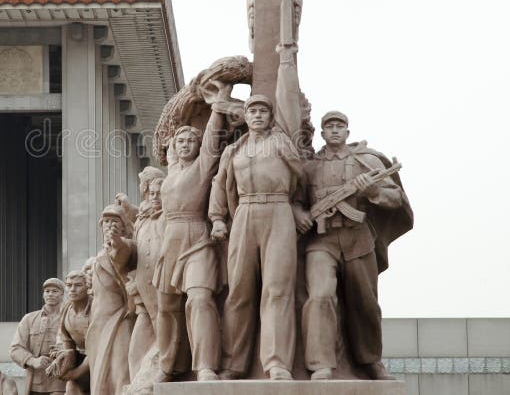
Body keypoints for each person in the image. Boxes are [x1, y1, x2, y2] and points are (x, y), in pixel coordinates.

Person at [273, 41, 413, 381]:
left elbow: (395, 200)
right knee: (319, 297)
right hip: (322, 241)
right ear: (322, 132)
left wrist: (373, 190)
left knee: (365, 303)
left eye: (340, 127)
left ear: (347, 131)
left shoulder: (366, 161)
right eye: (329, 127)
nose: (334, 131)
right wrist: (299, 215)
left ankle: (370, 361)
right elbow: (291, 198)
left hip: (357, 238)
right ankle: (321, 363)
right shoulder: (309, 166)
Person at [208, 94, 304, 380]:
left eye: (263, 111)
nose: (258, 115)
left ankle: (276, 362)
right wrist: (216, 218)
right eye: (253, 111)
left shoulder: (281, 143)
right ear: (246, 117)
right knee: (239, 291)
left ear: (270, 116)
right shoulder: (234, 150)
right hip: (245, 214)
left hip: (278, 210)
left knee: (277, 288)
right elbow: (219, 183)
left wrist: (297, 206)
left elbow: (301, 178)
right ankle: (234, 363)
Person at [152, 98, 228, 382]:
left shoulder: (203, 167)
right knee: (167, 307)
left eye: (189, 141)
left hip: (197, 237)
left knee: (199, 299)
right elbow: (169, 144)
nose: (185, 145)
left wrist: (218, 109)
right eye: (180, 141)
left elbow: (210, 142)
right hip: (170, 241)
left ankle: (205, 365)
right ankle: (168, 365)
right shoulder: (171, 171)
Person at [115, 167, 167, 378]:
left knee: (163, 329)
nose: (154, 197)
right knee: (137, 346)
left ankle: (163, 369)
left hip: (163, 284)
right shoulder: (143, 215)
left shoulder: (168, 215)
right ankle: (140, 379)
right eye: (150, 192)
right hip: (143, 288)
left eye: (159, 194)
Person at [86, 204, 134, 395]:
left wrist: (117, 242)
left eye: (115, 221)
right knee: (99, 371)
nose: (109, 225)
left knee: (119, 367)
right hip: (99, 319)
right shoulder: (99, 255)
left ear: (123, 226)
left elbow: (121, 257)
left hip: (119, 317)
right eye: (106, 221)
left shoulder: (126, 246)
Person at [10, 278, 67, 395]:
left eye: (54, 291)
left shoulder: (69, 317)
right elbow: (15, 349)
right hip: (36, 383)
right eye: (47, 291)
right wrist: (32, 361)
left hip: (62, 381)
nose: (50, 294)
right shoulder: (29, 319)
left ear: (62, 294)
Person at [47, 271, 91, 395]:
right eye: (69, 285)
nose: (72, 289)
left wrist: (74, 373)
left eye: (78, 285)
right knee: (71, 391)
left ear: (88, 286)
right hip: (79, 360)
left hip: (99, 362)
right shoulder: (66, 309)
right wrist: (64, 360)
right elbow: (67, 342)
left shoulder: (96, 308)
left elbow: (97, 350)